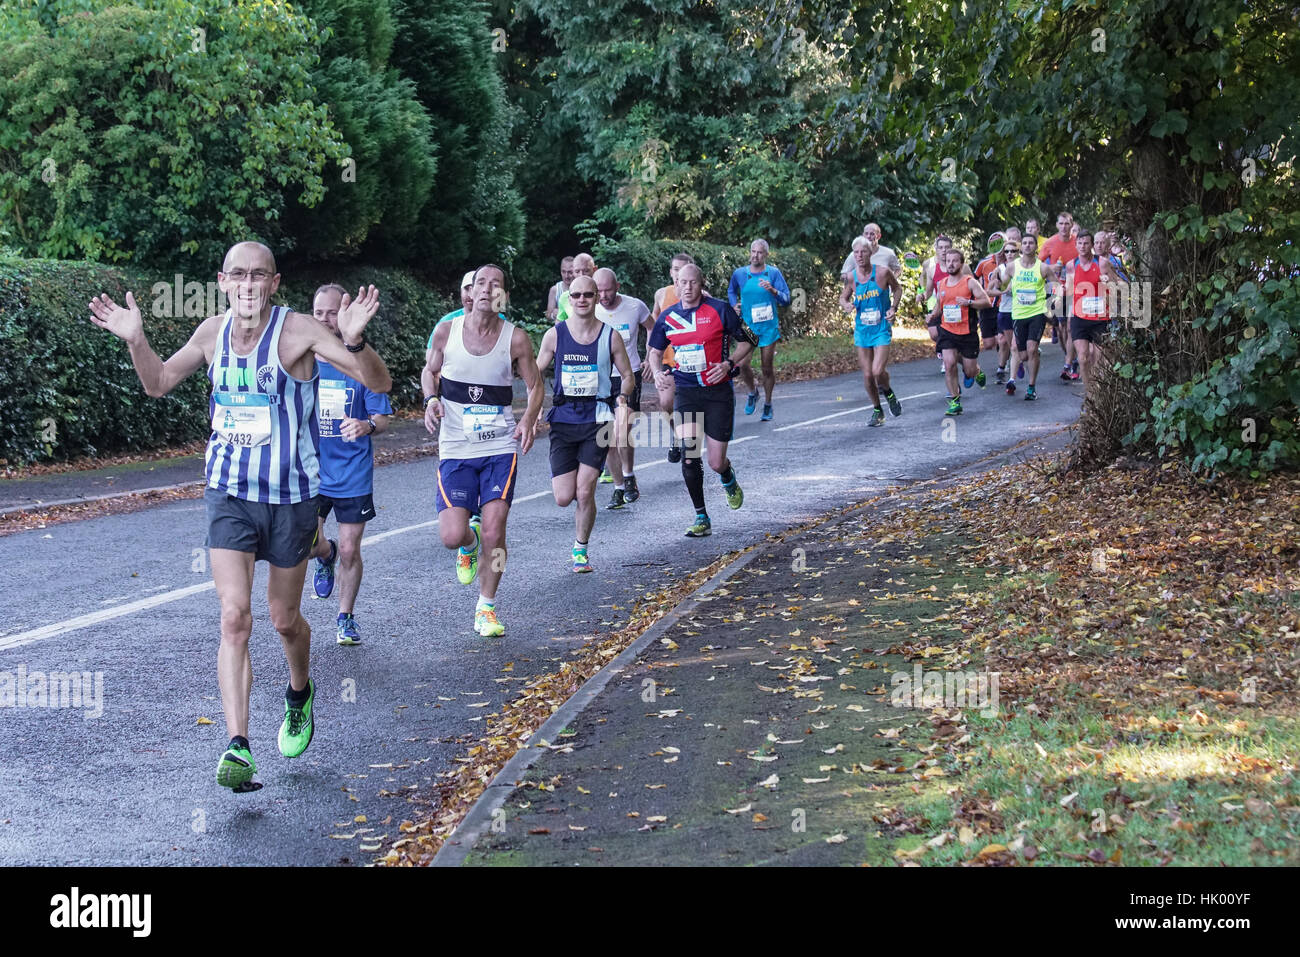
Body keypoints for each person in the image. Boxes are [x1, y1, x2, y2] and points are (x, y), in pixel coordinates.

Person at [89, 241, 392, 790]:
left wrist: (354, 339)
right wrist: (136, 341)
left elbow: (378, 382)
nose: (248, 284)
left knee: (283, 620)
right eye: (238, 275)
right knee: (234, 617)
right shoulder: (211, 334)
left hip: (293, 499)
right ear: (223, 282)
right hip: (228, 494)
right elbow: (157, 384)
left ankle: (299, 691)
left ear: (274, 283)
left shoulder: (298, 331)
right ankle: (238, 745)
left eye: (259, 275)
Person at [424, 265, 544, 636]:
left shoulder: (517, 339)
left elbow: (536, 385)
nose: (487, 290)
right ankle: (469, 543)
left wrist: (527, 419)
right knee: (451, 535)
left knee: (496, 526)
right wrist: (430, 398)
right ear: (469, 292)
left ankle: (486, 607)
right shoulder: (448, 331)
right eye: (481, 283)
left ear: (503, 295)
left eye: (496, 285)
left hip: (498, 446)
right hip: (457, 447)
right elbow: (430, 372)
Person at [307, 284, 393, 646]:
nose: (326, 320)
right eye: (319, 313)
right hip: (310, 469)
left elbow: (383, 416)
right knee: (306, 542)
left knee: (350, 549)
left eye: (332, 312)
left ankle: (345, 617)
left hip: (351, 471)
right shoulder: (301, 360)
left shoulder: (360, 362)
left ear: (346, 313)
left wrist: (365, 425)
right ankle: (322, 555)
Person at [647, 264, 757, 537]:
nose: (687, 287)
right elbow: (654, 350)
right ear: (676, 284)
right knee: (689, 456)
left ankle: (727, 477)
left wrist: (728, 362)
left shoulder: (719, 309)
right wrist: (659, 372)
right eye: (682, 282)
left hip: (717, 393)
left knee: (716, 462)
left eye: (692, 282)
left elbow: (749, 340)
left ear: (701, 283)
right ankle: (701, 517)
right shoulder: (669, 317)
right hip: (686, 392)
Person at [535, 275, 635, 570]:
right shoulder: (555, 335)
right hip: (564, 421)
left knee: (584, 491)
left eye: (587, 295)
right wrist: (532, 405)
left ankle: (581, 549)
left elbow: (627, 376)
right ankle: (580, 539)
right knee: (564, 497)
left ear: (595, 298)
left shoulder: (610, 335)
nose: (581, 300)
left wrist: (622, 398)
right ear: (568, 299)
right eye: (576, 295)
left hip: (598, 419)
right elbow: (534, 372)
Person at [594, 267, 653, 508]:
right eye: (599, 291)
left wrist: (651, 356)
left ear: (617, 287)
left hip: (629, 376)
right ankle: (620, 486)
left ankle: (629, 476)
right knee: (606, 437)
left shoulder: (634, 306)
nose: (603, 295)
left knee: (621, 430)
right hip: (601, 380)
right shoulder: (591, 310)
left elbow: (653, 327)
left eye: (608, 290)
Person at [839, 235, 903, 426]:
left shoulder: (883, 272)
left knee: (877, 371)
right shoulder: (852, 277)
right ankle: (877, 410)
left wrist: (893, 308)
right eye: (856, 252)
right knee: (867, 375)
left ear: (870, 253)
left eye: (863, 252)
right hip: (862, 330)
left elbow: (897, 289)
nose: (859, 256)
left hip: (881, 328)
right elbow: (843, 297)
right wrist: (846, 305)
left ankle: (888, 392)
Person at [728, 239, 791, 421]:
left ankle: (768, 404)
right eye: (753, 251)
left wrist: (773, 291)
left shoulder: (773, 273)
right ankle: (753, 391)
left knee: (767, 368)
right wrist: (734, 305)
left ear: (766, 255)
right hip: (748, 327)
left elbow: (786, 299)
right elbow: (731, 290)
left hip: (768, 327)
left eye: (760, 252)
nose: (755, 255)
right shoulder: (740, 273)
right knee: (742, 364)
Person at [927, 248, 991, 416]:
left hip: (967, 332)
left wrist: (969, 302)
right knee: (949, 364)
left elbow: (986, 302)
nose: (951, 264)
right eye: (948, 261)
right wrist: (933, 315)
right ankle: (955, 401)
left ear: (962, 264)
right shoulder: (941, 284)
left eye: (955, 261)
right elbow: (940, 306)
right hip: (947, 331)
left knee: (969, 370)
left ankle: (976, 372)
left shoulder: (969, 282)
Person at [650, 253, 698, 464]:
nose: (679, 274)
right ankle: (677, 435)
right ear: (670, 272)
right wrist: (648, 358)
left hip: (693, 361)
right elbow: (653, 328)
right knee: (666, 403)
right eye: (675, 269)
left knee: (691, 407)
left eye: (684, 269)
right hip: (668, 360)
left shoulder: (699, 294)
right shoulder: (661, 294)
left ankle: (691, 449)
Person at [1066, 230, 1118, 390]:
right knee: (1082, 358)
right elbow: (1069, 291)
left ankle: (1097, 394)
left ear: (1092, 245)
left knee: (1098, 359)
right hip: (1080, 318)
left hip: (1101, 319)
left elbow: (1120, 284)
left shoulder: (1102, 263)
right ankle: (1089, 396)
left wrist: (1108, 282)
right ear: (1075, 245)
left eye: (1086, 243)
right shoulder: (1071, 265)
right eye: (1080, 243)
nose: (1083, 246)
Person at [1007, 234, 1057, 401]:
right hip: (1018, 314)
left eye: (1031, 243)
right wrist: (996, 283)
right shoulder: (1012, 266)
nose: (1028, 246)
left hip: (1037, 313)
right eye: (1025, 243)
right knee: (1023, 356)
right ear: (1021, 247)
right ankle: (1025, 363)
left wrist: (1052, 305)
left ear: (1036, 247)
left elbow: (1055, 286)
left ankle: (1031, 386)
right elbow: (1000, 283)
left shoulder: (1043, 268)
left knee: (1032, 349)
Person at [1038, 212, 1079, 379]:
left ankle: (1070, 363)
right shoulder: (1050, 243)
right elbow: (1038, 264)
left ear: (1071, 224)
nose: (1064, 227)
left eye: (1067, 224)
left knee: (1070, 326)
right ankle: (1068, 356)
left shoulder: (1078, 241)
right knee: (1062, 328)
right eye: (1061, 224)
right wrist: (1051, 267)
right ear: (1057, 225)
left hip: (1076, 289)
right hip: (1056, 289)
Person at [985, 227, 1022, 389]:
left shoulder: (1026, 267)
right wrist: (1003, 291)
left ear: (1018, 251)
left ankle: (1010, 378)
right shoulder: (999, 269)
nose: (1010, 254)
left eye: (1013, 251)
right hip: (1005, 311)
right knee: (1005, 342)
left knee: (1014, 345)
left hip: (1022, 311)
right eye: (1007, 251)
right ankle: (1015, 361)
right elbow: (989, 291)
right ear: (1004, 253)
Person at [555, 253, 597, 324]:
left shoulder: (604, 295)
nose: (581, 275)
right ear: (573, 272)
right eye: (577, 271)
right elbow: (559, 324)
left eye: (586, 271)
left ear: (595, 270)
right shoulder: (565, 297)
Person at [546, 256, 575, 322]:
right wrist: (553, 314)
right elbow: (548, 315)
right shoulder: (555, 290)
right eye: (563, 272)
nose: (566, 276)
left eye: (570, 272)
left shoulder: (583, 288)